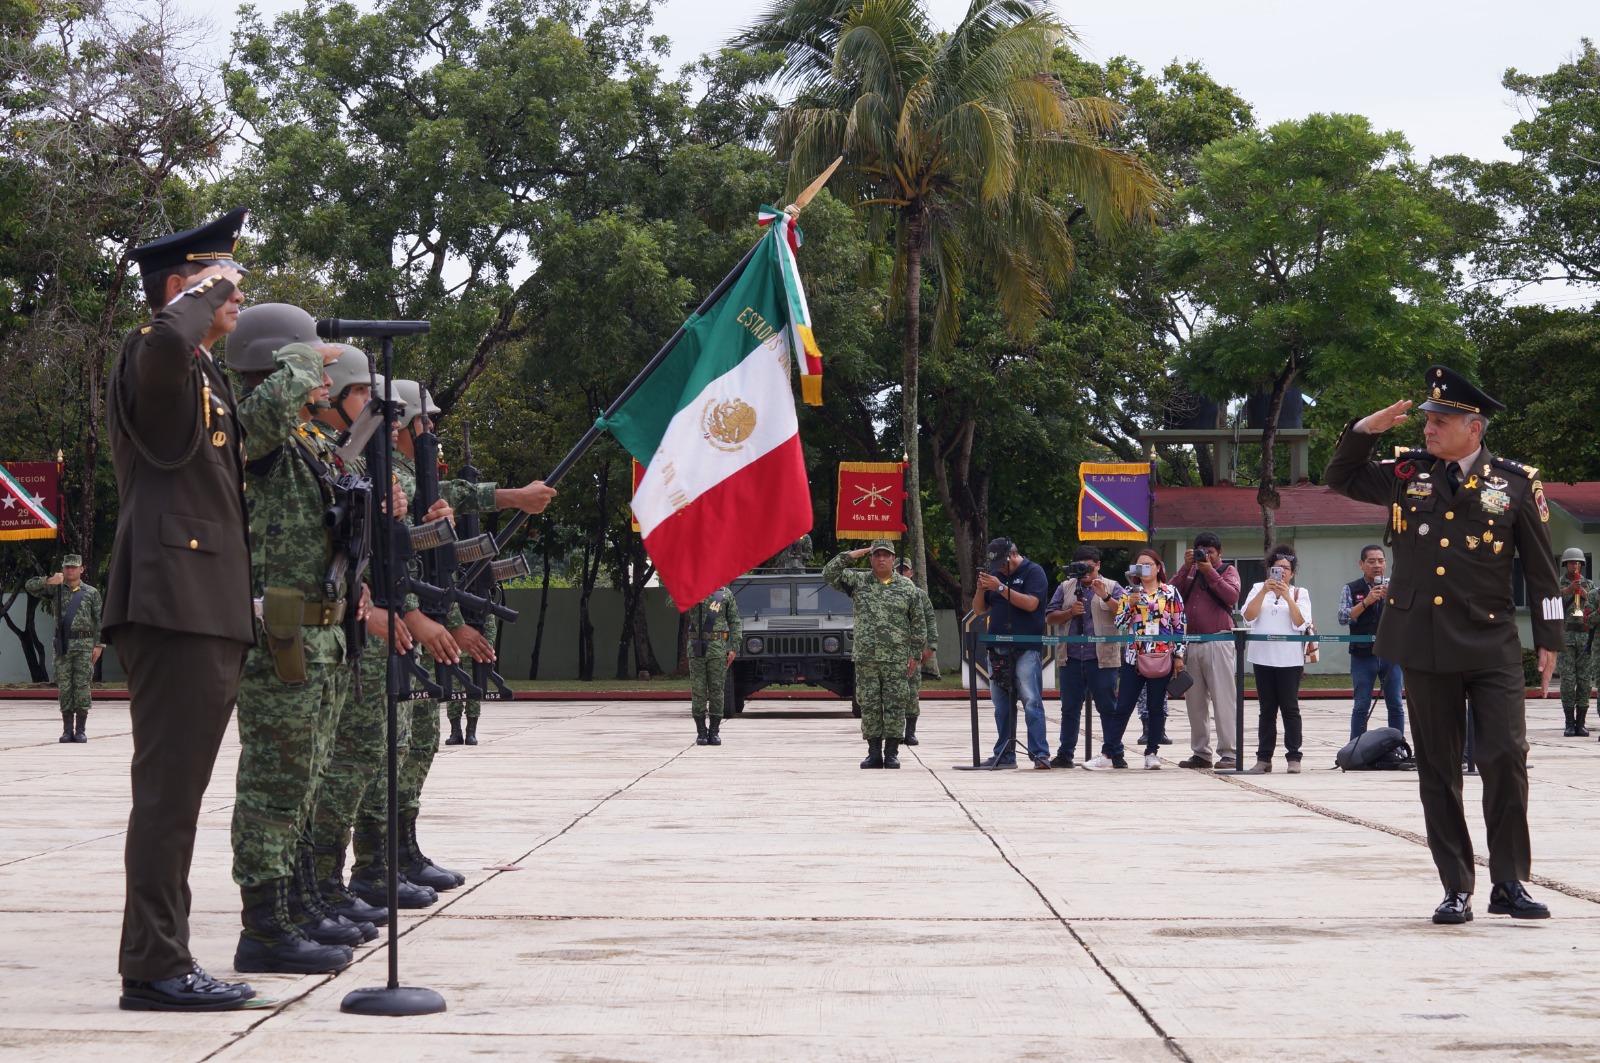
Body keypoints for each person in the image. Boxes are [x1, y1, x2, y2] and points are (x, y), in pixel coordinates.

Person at [1325, 364, 1562, 925]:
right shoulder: (1408, 473)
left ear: (1473, 428)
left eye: (1441, 420)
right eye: (1428, 419)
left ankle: (1508, 882)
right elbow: (1341, 476)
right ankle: (1456, 885)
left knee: (1505, 757)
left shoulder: (1515, 482)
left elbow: (1542, 566)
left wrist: (1551, 637)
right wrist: (1366, 429)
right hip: (1424, 641)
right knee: (1437, 767)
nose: (1429, 428)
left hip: (1490, 640)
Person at [107, 209, 257, 1011]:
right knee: (168, 796)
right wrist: (203, 291)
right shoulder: (152, 354)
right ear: (183, 286)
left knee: (180, 796)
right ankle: (156, 964)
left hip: (205, 607)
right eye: (222, 281)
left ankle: (161, 955)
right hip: (173, 604)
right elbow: (168, 341)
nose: (236, 294)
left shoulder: (201, 375)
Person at [225, 303, 367, 974]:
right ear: (276, 365)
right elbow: (260, 418)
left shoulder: (307, 439)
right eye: (307, 362)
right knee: (272, 789)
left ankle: (296, 907)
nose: (323, 377)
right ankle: (264, 927)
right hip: (283, 633)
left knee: (303, 782)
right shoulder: (255, 430)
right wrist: (310, 354)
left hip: (321, 632)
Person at [823, 540, 924, 768]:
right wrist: (851, 555)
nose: (881, 559)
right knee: (868, 705)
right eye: (876, 555)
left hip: (896, 658)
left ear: (893, 560)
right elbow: (828, 574)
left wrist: (915, 655)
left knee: (895, 704)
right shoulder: (858, 582)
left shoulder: (907, 589)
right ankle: (873, 752)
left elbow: (918, 625)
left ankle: (891, 753)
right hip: (867, 658)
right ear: (870, 559)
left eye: (886, 555)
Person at [1087, 547, 1186, 770]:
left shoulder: (1170, 592)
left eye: (1148, 564)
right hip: (1134, 656)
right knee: (1123, 706)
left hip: (1162, 655)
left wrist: (1179, 655)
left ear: (1158, 567)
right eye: (1139, 565)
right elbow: (1120, 624)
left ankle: (1152, 752)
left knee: (1156, 706)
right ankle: (1107, 753)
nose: (1144, 569)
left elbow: (1179, 625)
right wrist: (1131, 604)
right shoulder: (1129, 593)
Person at [971, 537, 1050, 769]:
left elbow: (1031, 604)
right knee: (1001, 704)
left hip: (1025, 646)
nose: (1001, 570)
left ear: (1013, 554)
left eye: (1003, 565)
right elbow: (979, 609)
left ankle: (1040, 754)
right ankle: (1005, 755)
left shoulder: (1033, 572)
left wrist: (1000, 587)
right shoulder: (996, 576)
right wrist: (980, 589)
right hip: (997, 647)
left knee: (1031, 700)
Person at [1044, 546, 1123, 769]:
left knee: (1108, 707)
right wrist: (1070, 613)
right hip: (1070, 658)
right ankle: (1065, 754)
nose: (1085, 571)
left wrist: (1105, 596)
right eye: (1080, 566)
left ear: (1098, 566)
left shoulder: (1112, 586)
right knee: (1069, 709)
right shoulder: (1065, 587)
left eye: (1089, 566)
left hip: (1103, 658)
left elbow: (1125, 614)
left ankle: (1115, 753)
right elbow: (1050, 618)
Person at [1171, 532, 1241, 770]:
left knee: (1224, 698)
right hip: (1190, 642)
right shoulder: (1189, 572)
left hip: (1218, 641)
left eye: (1210, 551)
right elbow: (1170, 595)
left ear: (1220, 552)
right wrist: (1185, 567)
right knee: (1195, 701)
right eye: (1200, 551)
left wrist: (1208, 570)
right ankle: (1200, 752)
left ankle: (1229, 752)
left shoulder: (1227, 571)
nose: (1205, 556)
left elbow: (1232, 596)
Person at [1242, 546, 1312, 774]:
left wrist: (1287, 597)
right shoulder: (1256, 589)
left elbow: (1301, 623)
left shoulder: (1301, 593)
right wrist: (1264, 592)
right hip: (1262, 657)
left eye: (1286, 569)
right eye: (1277, 568)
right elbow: (1248, 617)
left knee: (1290, 708)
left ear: (1292, 573)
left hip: (1289, 659)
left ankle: (1294, 756)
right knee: (1266, 710)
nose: (1281, 573)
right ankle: (1264, 758)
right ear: (1269, 569)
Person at [25, 554, 103, 742]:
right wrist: (49, 581)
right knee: (65, 687)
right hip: (63, 645)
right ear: (63, 568)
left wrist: (99, 645)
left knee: (82, 686)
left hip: (84, 646)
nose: (70, 570)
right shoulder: (56, 589)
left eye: (74, 567)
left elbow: (99, 620)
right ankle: (67, 730)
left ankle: (81, 730)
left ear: (81, 569)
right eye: (67, 567)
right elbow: (29, 586)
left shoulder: (91, 592)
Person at [1341, 544, 1405, 739]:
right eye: (1371, 561)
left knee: (1395, 703)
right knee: (1361, 704)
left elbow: (1407, 617)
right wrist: (1366, 602)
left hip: (1391, 654)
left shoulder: (1396, 588)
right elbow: (1343, 618)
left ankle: (1398, 747)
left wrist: (1392, 599)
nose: (1377, 565)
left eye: (1381, 561)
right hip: (1363, 655)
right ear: (1362, 564)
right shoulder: (1351, 588)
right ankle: (1355, 748)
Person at [686, 586, 741, 745]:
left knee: (717, 690)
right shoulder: (691, 589)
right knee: (698, 690)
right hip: (696, 646)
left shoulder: (724, 593)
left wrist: (734, 647)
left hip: (717, 647)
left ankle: (715, 731)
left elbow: (734, 620)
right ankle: (701, 731)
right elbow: (670, 602)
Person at [896, 557, 938, 746]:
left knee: (912, 692)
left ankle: (910, 732)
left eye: (905, 570)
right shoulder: (889, 592)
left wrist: (931, 647)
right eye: (898, 570)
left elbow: (930, 620)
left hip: (912, 650)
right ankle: (893, 732)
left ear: (911, 573)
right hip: (892, 650)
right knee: (892, 693)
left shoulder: (919, 595)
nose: (901, 573)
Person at [1557, 547, 1597, 737]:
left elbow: (1596, 606)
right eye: (1572, 562)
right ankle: (1569, 722)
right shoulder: (1558, 584)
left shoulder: (1589, 585)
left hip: (1584, 637)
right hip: (1565, 637)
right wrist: (1567, 590)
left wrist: (1583, 594)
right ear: (1565, 564)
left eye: (1578, 562)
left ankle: (1581, 722)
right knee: (1567, 681)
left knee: (1584, 681)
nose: (1575, 566)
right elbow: (1550, 603)